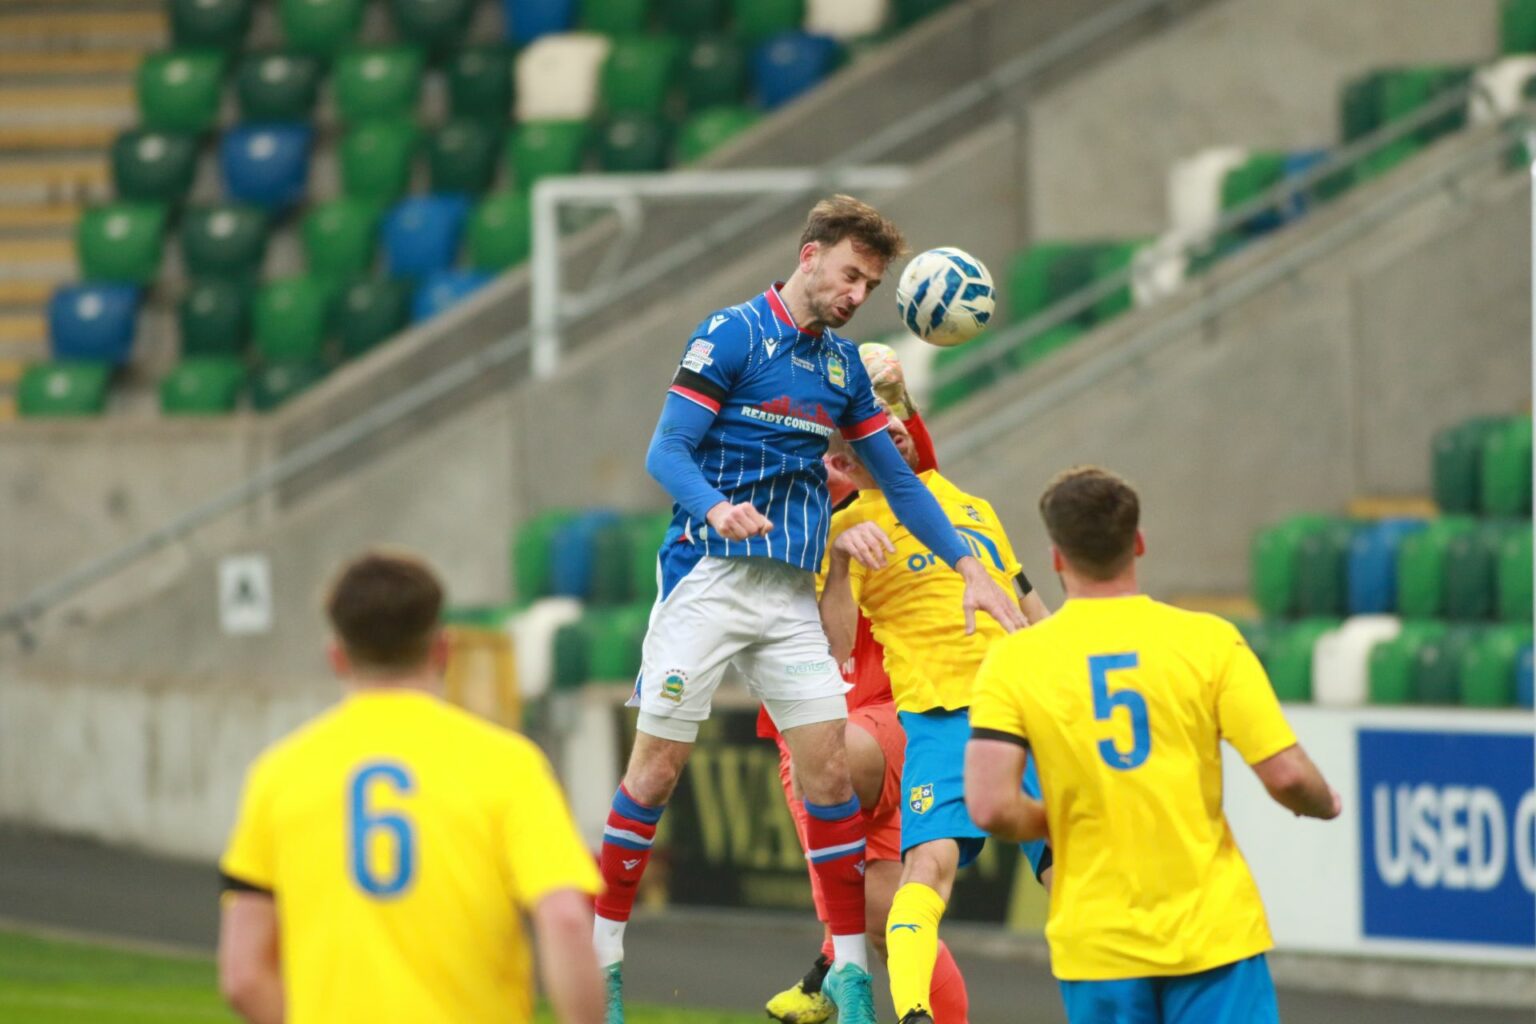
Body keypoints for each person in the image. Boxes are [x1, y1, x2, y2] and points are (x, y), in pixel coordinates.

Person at [596, 197, 1026, 1024]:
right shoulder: (730, 334)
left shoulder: (841, 370)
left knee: (829, 771)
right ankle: (606, 957)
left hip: (789, 590)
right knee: (655, 773)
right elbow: (666, 450)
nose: (858, 292)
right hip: (710, 575)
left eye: (870, 282)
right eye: (850, 274)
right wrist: (715, 508)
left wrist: (970, 566)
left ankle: (851, 981)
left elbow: (901, 480)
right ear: (809, 256)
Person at [965, 466, 1343, 1024]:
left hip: (1098, 944)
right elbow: (1286, 776)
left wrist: (1058, 819)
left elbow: (992, 806)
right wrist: (1324, 803)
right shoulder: (1208, 641)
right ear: (1137, 543)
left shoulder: (1014, 662)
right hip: (1213, 934)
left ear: (1056, 557)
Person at [218, 551, 604, 1024]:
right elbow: (565, 919)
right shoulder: (509, 765)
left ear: (336, 656)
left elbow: (242, 976)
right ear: (443, 650)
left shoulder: (277, 775)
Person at [761, 345, 974, 1024]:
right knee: (894, 928)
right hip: (848, 717)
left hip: (876, 719)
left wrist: (885, 382)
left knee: (823, 766)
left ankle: (829, 967)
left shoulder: (891, 489)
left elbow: (912, 450)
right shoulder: (778, 501)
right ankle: (830, 963)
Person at [813, 418, 1052, 1024]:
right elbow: (836, 645)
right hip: (941, 715)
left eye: (897, 424)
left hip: (1027, 699)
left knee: (1069, 867)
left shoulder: (972, 506)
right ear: (846, 460)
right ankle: (915, 1013)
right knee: (927, 867)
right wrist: (839, 564)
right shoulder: (846, 526)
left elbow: (1027, 599)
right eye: (873, 432)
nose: (891, 430)